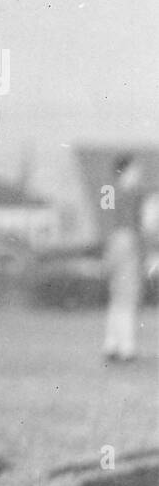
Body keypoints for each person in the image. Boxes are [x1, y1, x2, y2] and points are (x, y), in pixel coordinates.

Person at [102, 154, 146, 363]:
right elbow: (140, 225)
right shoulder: (136, 194)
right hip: (128, 242)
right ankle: (127, 347)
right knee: (128, 296)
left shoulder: (108, 190)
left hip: (113, 243)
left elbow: (106, 221)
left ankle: (111, 343)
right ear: (125, 170)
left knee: (116, 297)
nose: (138, 174)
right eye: (135, 170)